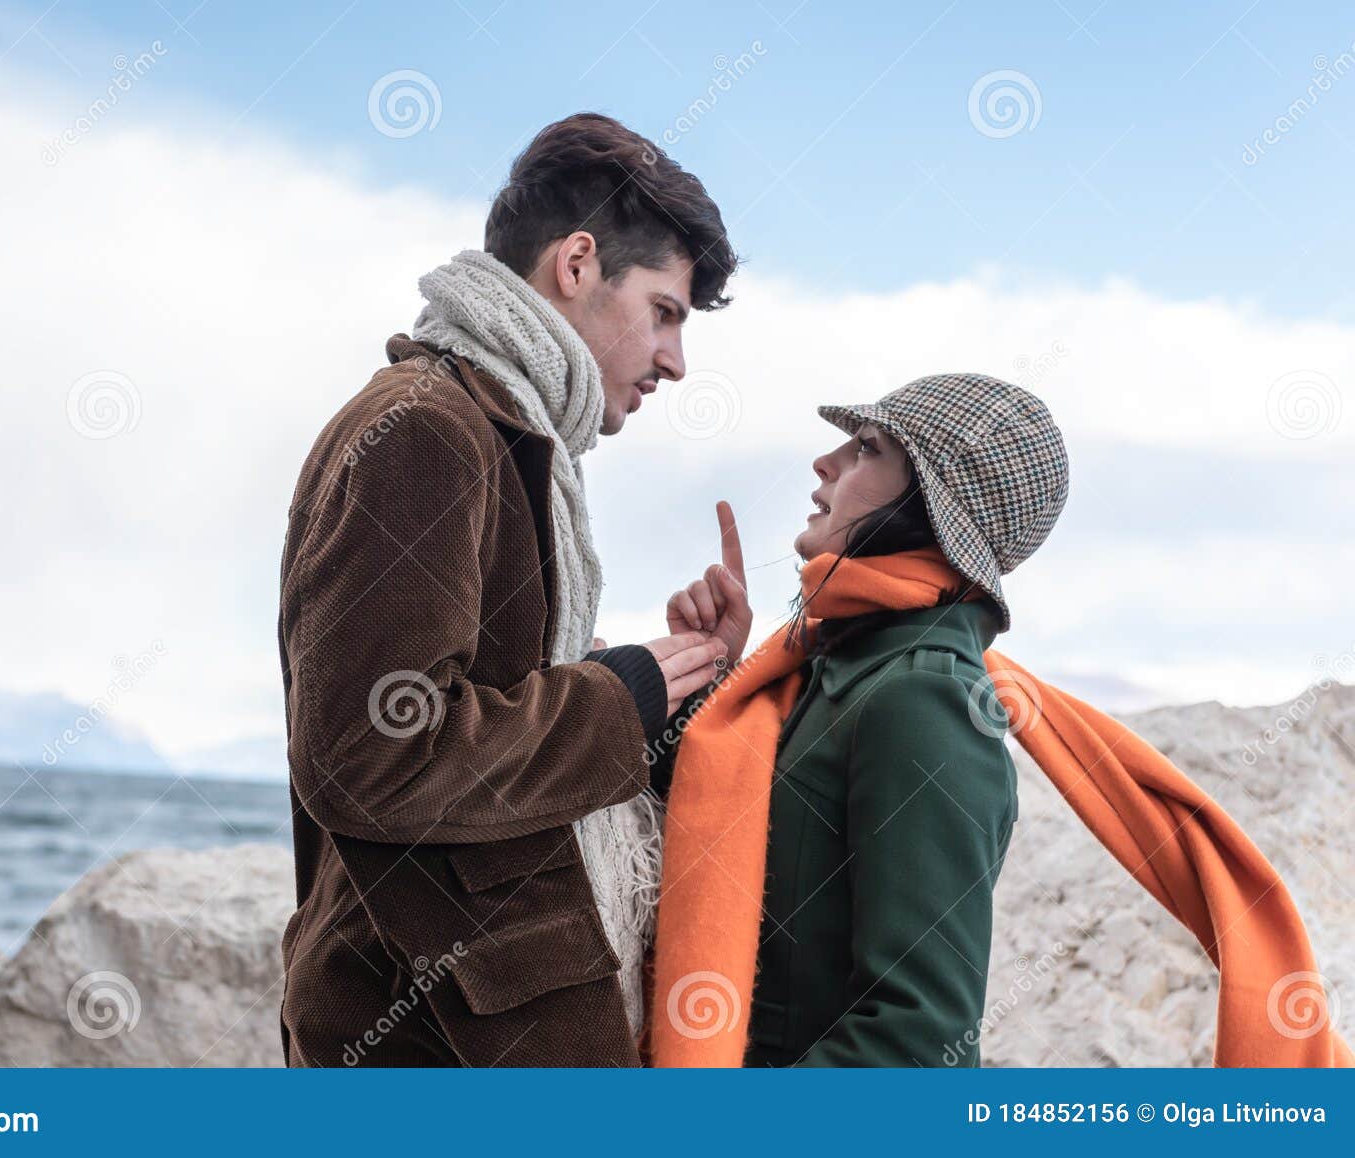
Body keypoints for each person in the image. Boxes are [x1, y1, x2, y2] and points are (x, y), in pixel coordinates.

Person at [648, 373, 1351, 1069]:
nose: (826, 462)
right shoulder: (829, 669)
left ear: (928, 501)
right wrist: (713, 684)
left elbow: (918, 1042)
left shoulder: (922, 701)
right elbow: (727, 848)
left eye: (866, 448)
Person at [276, 112, 738, 1066]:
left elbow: (485, 714)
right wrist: (624, 694)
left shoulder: (494, 433)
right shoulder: (426, 432)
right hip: (429, 1042)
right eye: (664, 312)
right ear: (576, 266)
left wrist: (674, 685)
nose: (676, 361)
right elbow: (374, 754)